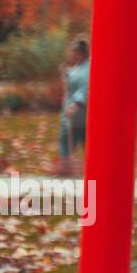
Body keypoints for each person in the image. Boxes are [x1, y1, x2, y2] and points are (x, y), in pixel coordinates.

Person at [58, 36, 89, 175]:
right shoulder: (78, 67)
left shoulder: (88, 68)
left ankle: (71, 168)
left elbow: (85, 87)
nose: (71, 54)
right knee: (66, 139)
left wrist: (76, 104)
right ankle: (66, 167)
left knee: (82, 139)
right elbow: (73, 80)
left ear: (80, 53)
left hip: (79, 113)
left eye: (74, 52)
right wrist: (66, 74)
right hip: (70, 113)